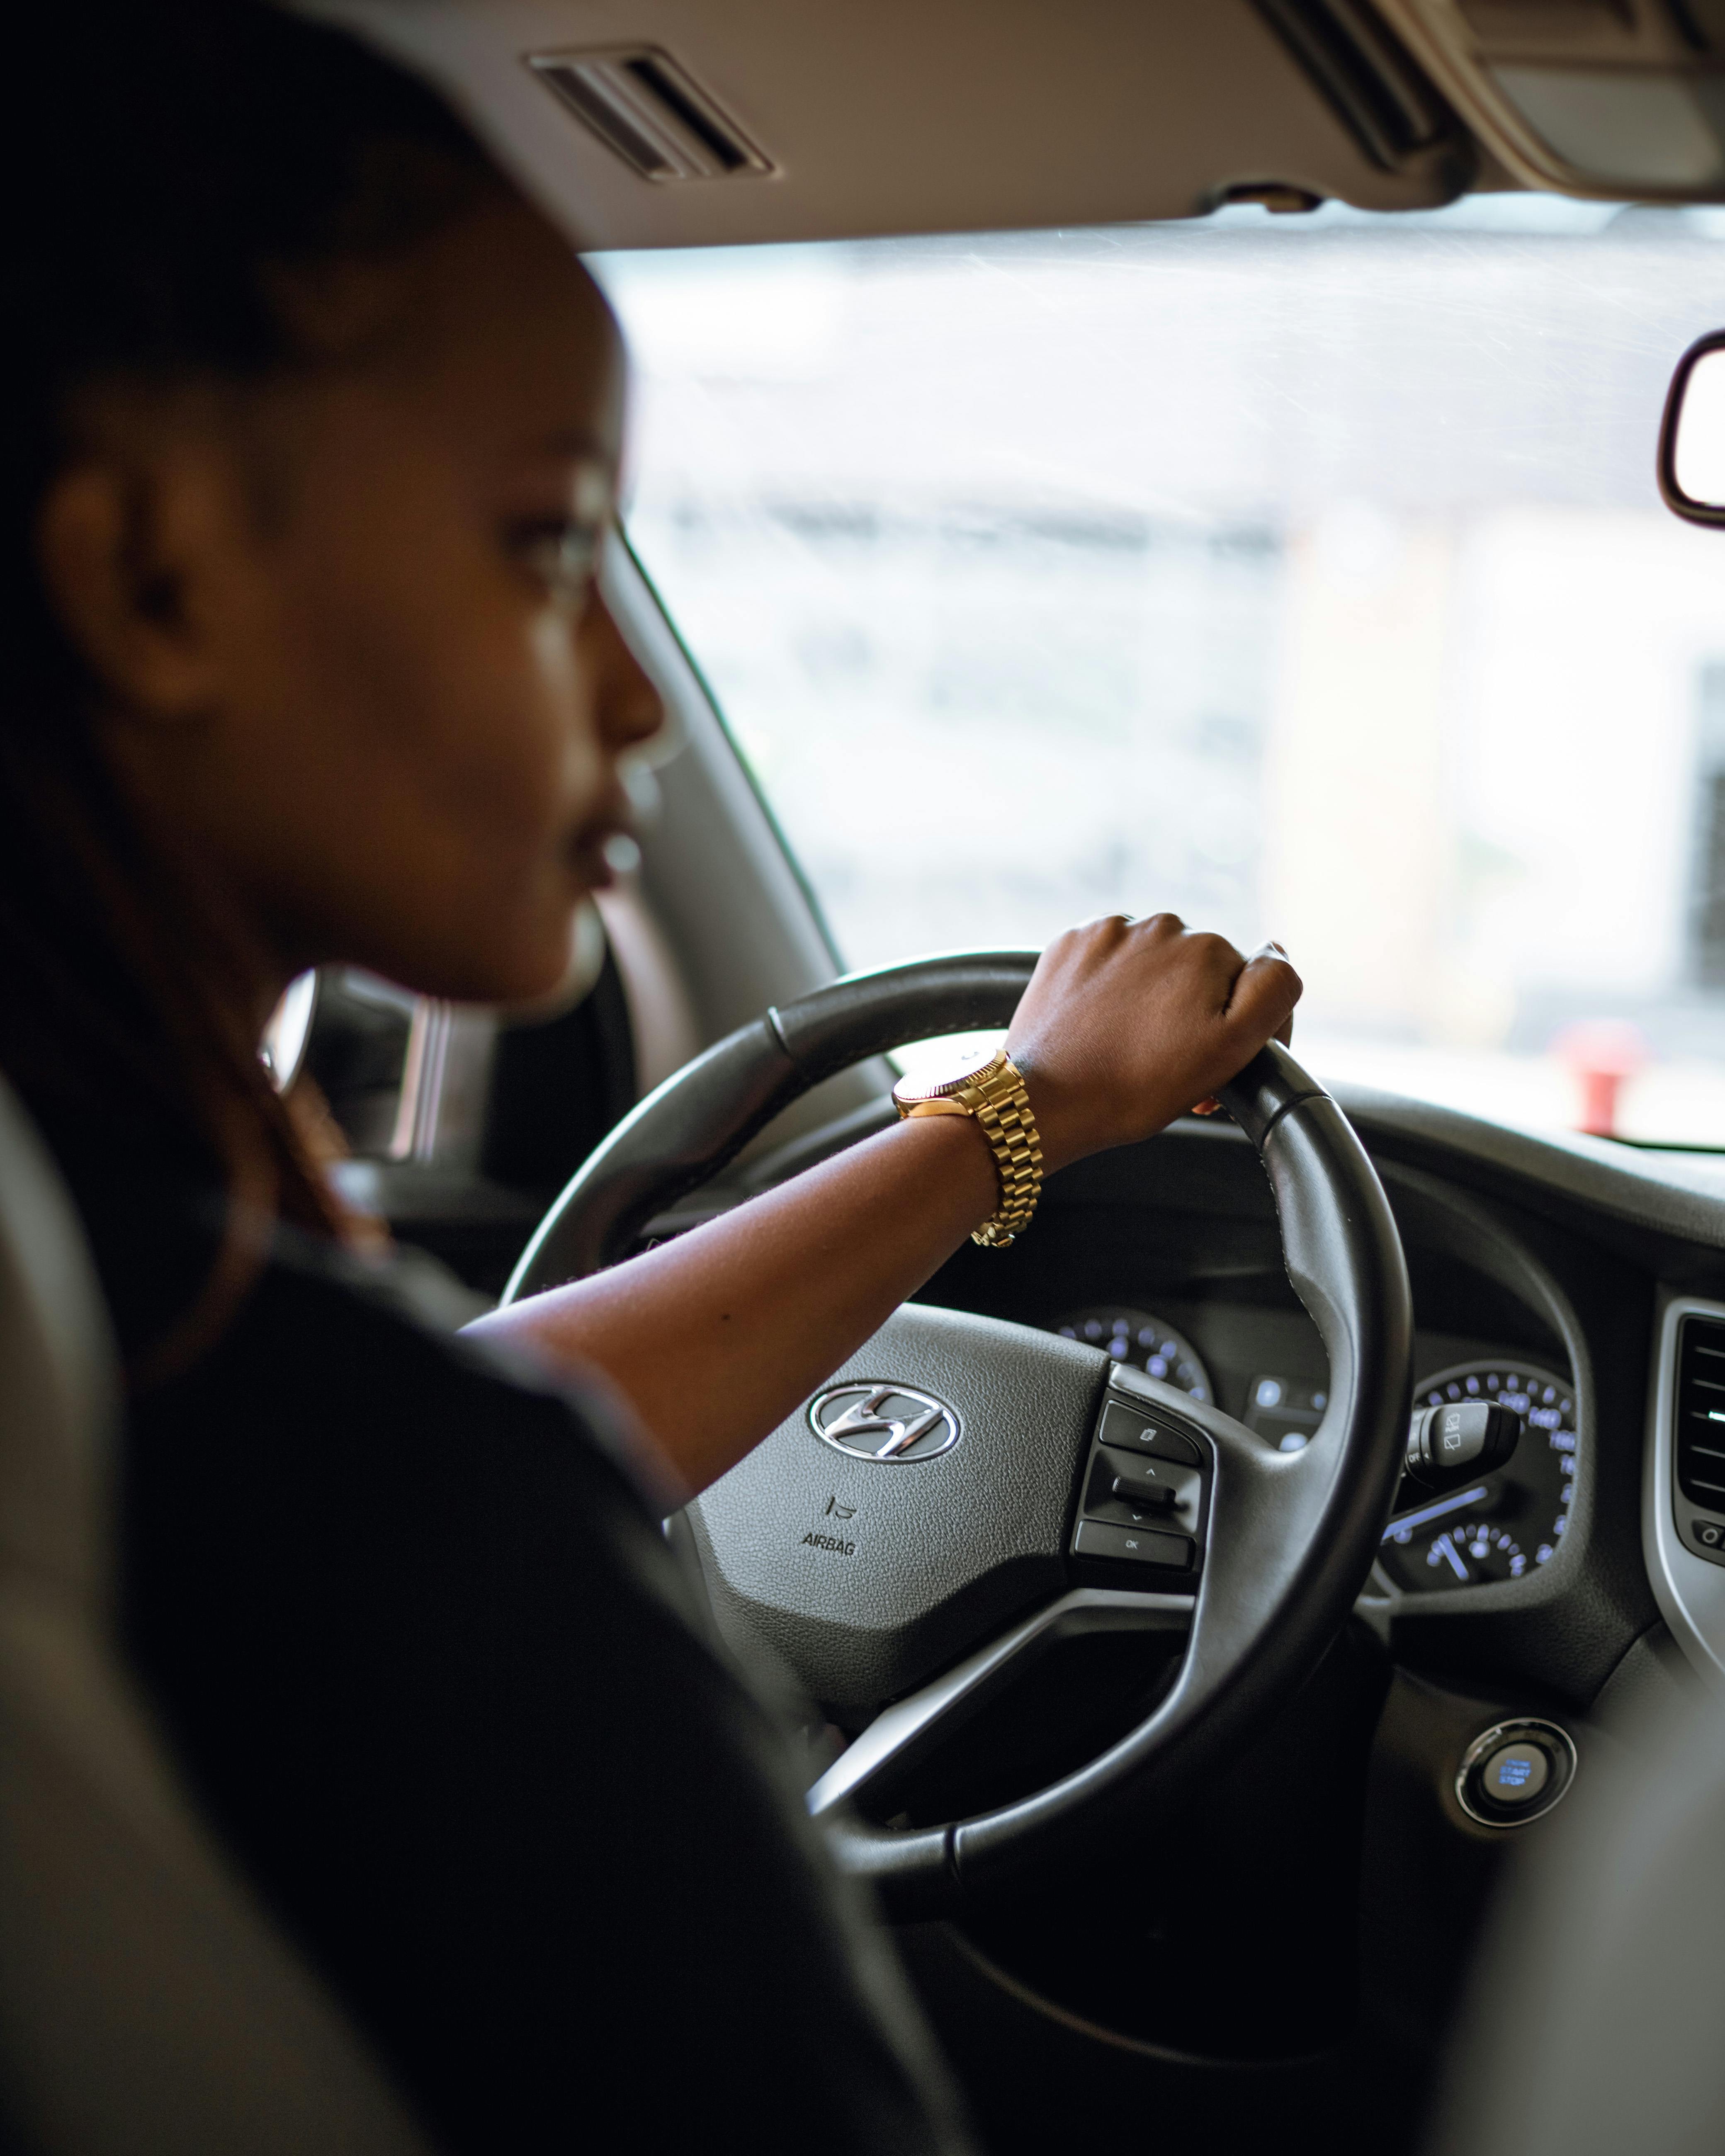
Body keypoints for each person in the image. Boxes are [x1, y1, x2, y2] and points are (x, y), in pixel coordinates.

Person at [0, 3, 1302, 2149]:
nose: (635, 699)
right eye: (547, 548)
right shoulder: (368, 1493)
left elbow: (493, 1414)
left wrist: (1023, 1116)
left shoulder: (127, 1328)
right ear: (150, 577)